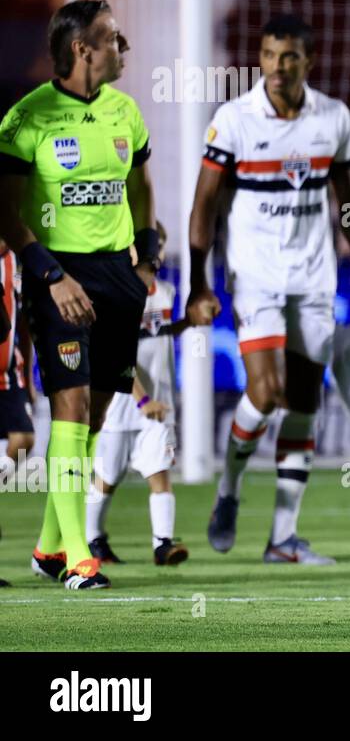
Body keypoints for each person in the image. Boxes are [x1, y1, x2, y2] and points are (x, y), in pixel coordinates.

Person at [187, 13, 350, 565]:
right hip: (255, 276)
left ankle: (282, 539)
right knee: (267, 391)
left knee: (303, 403)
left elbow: (349, 201)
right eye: (269, 55)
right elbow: (203, 205)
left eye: (289, 56)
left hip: (315, 277)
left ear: (308, 61)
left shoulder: (332, 118)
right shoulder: (234, 120)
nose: (276, 66)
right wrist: (198, 280)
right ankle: (229, 487)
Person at [0, 0, 159, 590]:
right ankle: (77, 557)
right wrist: (50, 275)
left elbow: (141, 184)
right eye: (114, 37)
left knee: (92, 416)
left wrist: (147, 253)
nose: (126, 46)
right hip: (57, 277)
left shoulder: (127, 111)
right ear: (82, 51)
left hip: (118, 277)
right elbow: (7, 212)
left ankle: (46, 550)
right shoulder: (26, 119)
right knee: (66, 407)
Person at [86, 222, 189, 566]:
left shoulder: (167, 293)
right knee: (107, 479)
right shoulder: (116, 297)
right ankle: (93, 540)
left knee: (160, 472)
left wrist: (189, 324)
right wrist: (143, 399)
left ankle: (163, 544)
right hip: (121, 405)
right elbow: (118, 356)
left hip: (158, 407)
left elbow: (158, 334)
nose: (153, 266)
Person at [0, 239, 36, 588]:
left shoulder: (16, 260)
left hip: (9, 374)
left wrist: (28, 382)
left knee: (24, 440)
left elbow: (23, 321)